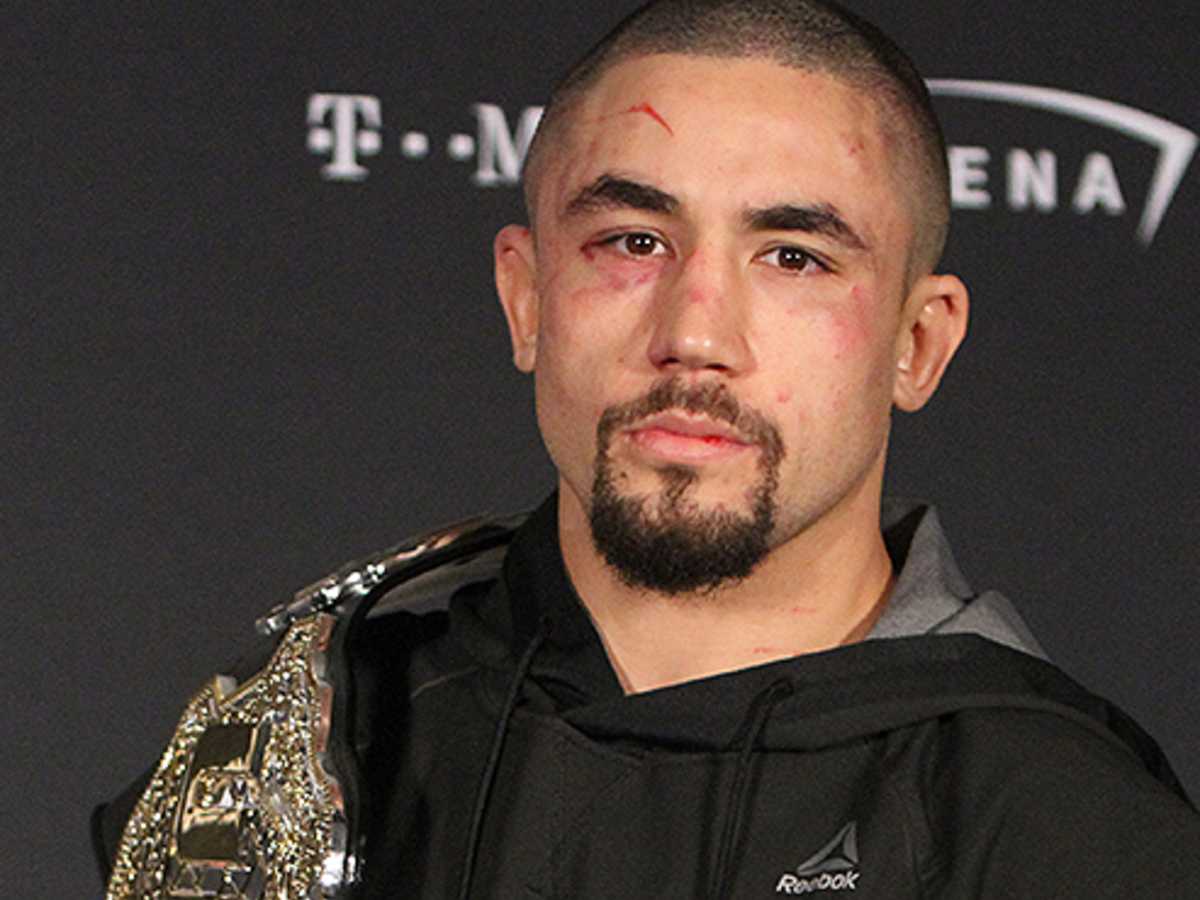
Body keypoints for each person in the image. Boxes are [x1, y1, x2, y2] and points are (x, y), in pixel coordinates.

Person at [95, 1, 1200, 897]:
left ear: (918, 344)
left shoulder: (1068, 830)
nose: (696, 333)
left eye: (794, 257)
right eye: (634, 240)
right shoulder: (308, 748)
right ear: (527, 299)